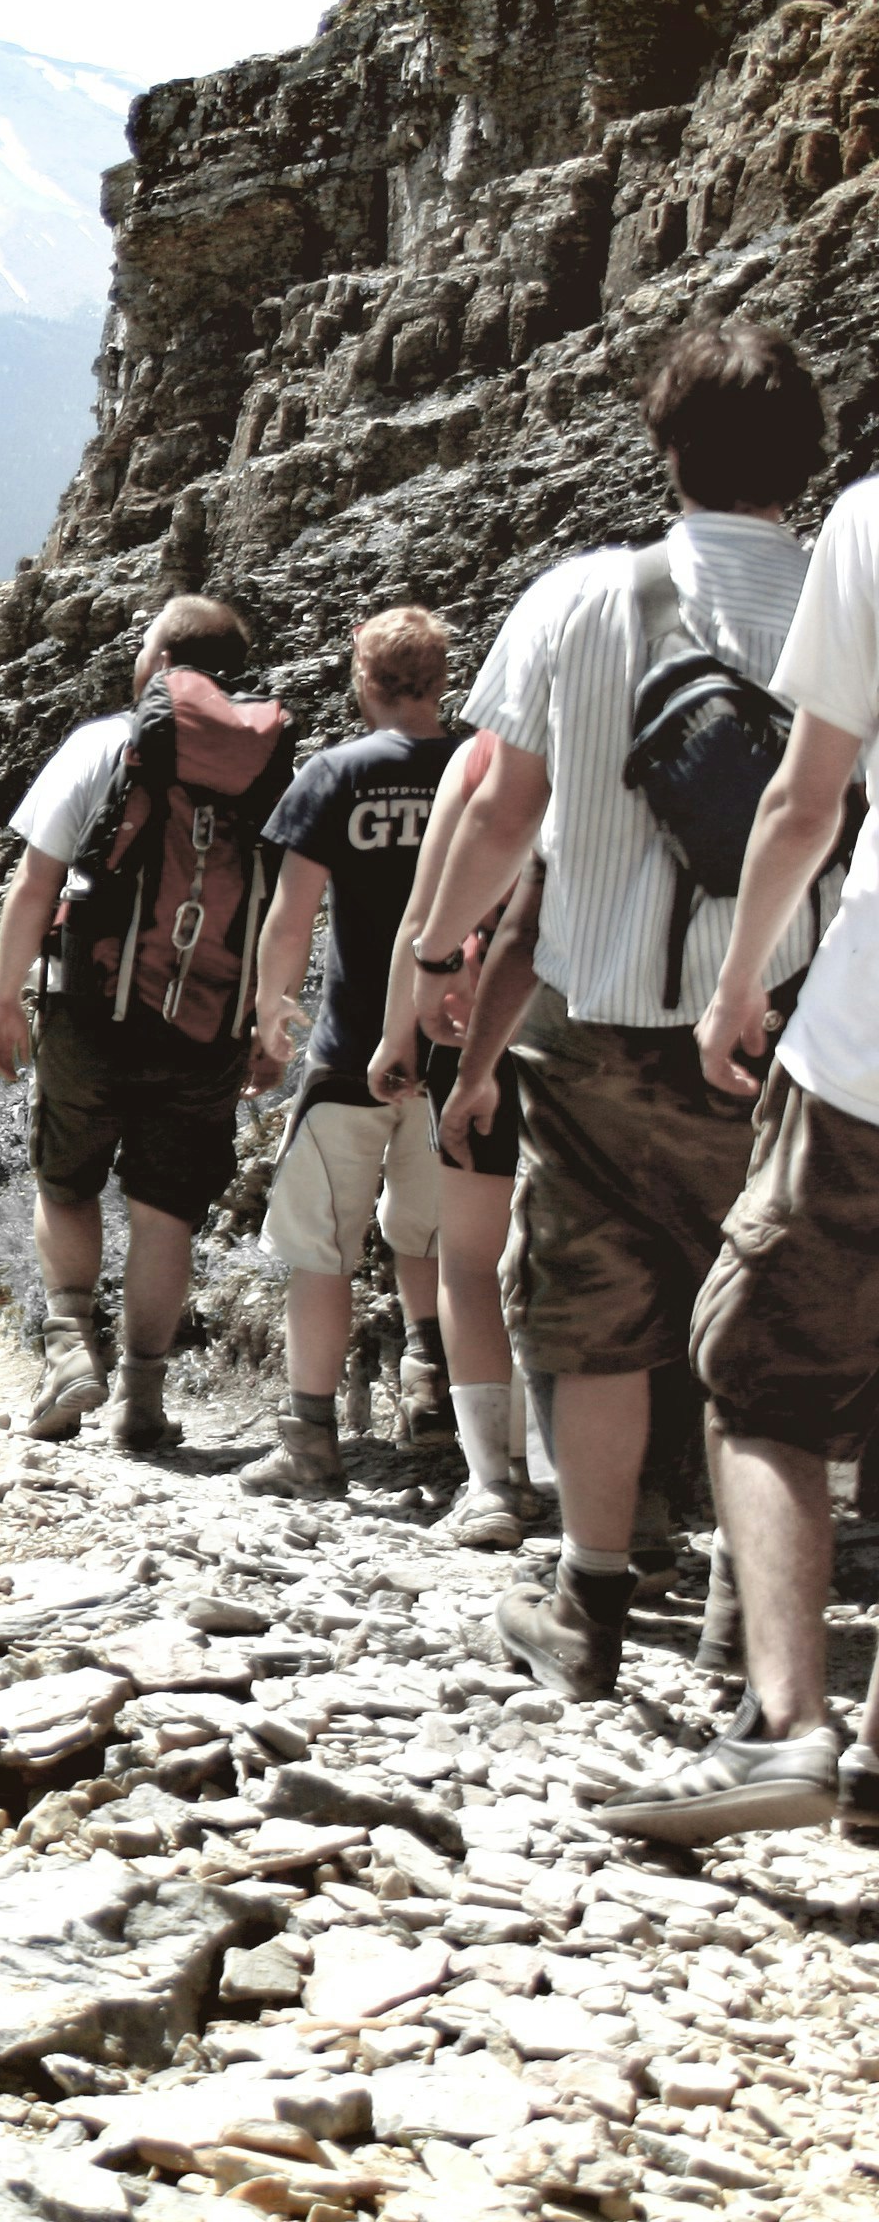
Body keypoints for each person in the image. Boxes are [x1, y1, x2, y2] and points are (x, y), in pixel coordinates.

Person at [403, 320, 830, 1703]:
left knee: (588, 1314)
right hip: (785, 1038)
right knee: (770, 1327)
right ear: (806, 460)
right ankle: (737, 1618)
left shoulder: (579, 598)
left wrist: (436, 948)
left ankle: (590, 1605)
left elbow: (504, 807)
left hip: (589, 1035)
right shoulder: (848, 602)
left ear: (665, 445)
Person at [591, 469, 879, 1841]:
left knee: (762, 1371)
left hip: (867, 1060)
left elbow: (805, 799)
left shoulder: (873, 523)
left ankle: (787, 1724)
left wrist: (741, 981)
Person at [0, 595, 272, 1453]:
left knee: (66, 1183)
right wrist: (265, 1019)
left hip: (88, 1013)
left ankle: (72, 1350)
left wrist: (4, 999)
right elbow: (287, 909)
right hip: (210, 1024)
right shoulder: (269, 765)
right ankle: (143, 1398)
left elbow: (35, 885)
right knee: (166, 1211)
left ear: (159, 660)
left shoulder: (105, 744)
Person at [236, 608, 462, 1503]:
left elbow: (291, 920)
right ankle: (433, 1386)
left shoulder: (334, 775)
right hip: (458, 1048)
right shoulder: (481, 767)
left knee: (321, 1245)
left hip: (348, 1047)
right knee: (435, 1229)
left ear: (363, 684)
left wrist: (268, 1022)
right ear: (443, 680)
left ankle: (310, 1440)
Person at [364, 727, 548, 1551]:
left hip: (489, 1028)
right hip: (634, 1027)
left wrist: (400, 1031)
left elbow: (426, 904)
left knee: (471, 1258)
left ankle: (493, 1483)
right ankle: (628, 1499)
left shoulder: (484, 757)